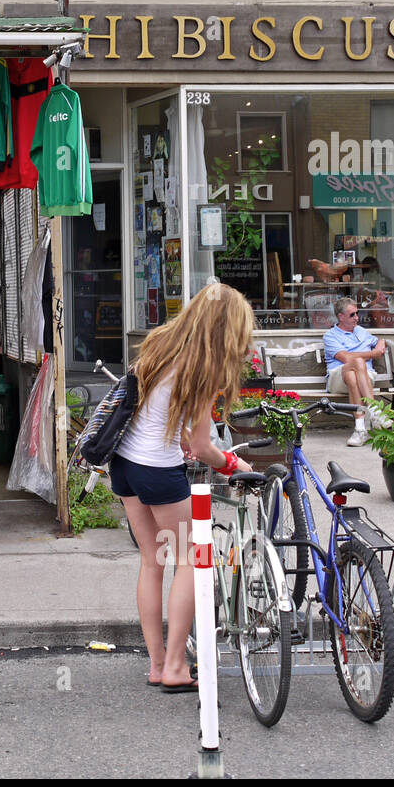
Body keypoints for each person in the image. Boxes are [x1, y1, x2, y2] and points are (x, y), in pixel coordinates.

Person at [111, 283, 255, 693]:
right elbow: (204, 446)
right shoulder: (204, 367)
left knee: (152, 561)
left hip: (124, 463)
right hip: (157, 470)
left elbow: (152, 411)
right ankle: (176, 666)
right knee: (190, 560)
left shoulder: (160, 343)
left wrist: (181, 442)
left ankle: (157, 664)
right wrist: (233, 463)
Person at [323, 296, 389, 446]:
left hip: (364, 376)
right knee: (356, 363)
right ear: (341, 316)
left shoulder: (361, 332)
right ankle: (375, 411)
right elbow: (346, 358)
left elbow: (379, 340)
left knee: (353, 377)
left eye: (357, 313)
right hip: (337, 378)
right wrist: (373, 354)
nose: (356, 318)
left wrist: (381, 343)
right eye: (352, 315)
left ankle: (360, 430)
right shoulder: (330, 335)